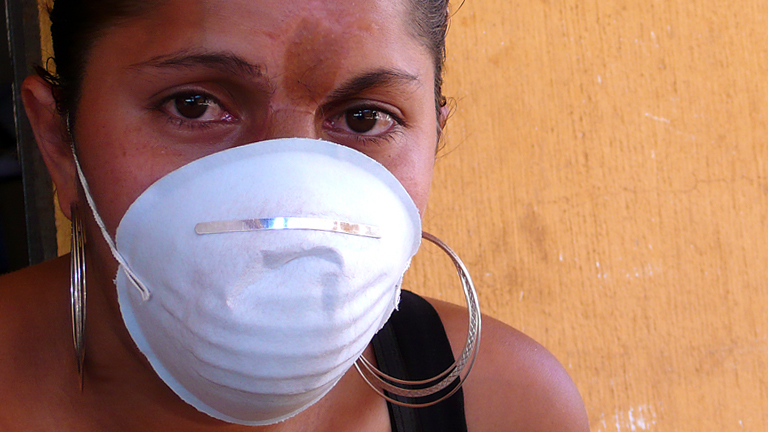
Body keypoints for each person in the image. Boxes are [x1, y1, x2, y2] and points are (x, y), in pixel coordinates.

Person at [0, 0, 590, 430]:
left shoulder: (511, 406)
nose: (288, 196)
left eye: (363, 118)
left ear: (434, 137)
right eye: (194, 105)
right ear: (58, 138)